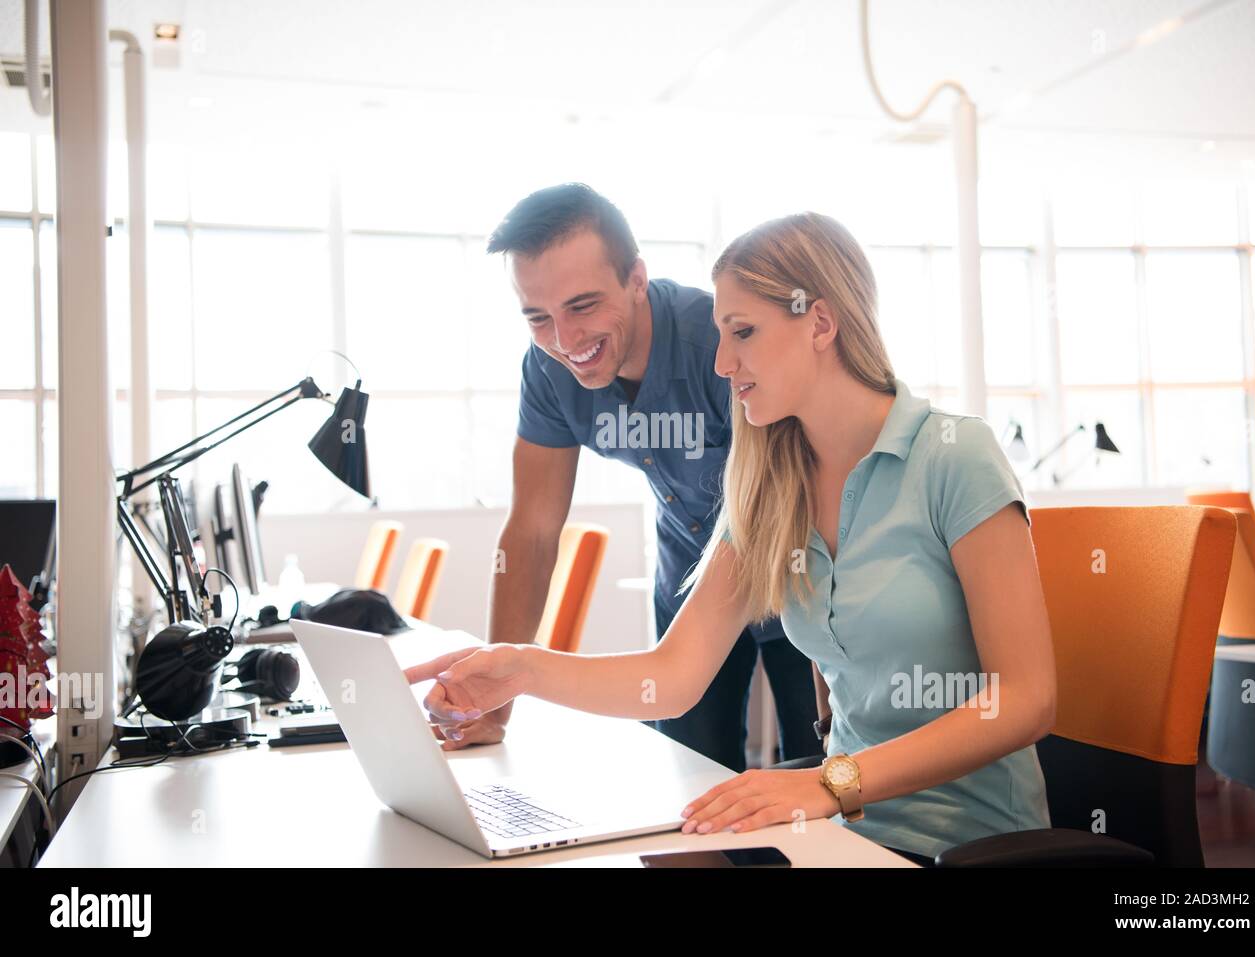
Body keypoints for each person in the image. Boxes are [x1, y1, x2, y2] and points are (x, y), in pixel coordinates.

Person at [408, 211, 1056, 865]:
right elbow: (671, 675)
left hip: (973, 845)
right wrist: (520, 668)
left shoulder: (953, 455)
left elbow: (1028, 700)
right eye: (720, 333)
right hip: (842, 836)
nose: (721, 361)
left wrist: (833, 783)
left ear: (821, 324)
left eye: (742, 331)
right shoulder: (770, 485)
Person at [442, 183, 822, 773]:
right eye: (538, 317)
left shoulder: (720, 343)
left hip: (792, 569)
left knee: (819, 770)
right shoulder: (548, 370)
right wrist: (495, 699)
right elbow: (533, 530)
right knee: (690, 780)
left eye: (583, 306)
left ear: (636, 278)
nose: (566, 342)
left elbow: (788, 496)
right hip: (689, 577)